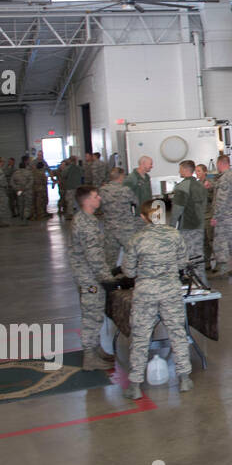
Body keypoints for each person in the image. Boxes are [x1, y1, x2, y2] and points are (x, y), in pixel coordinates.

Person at [121, 200, 193, 399]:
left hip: (145, 292)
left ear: (144, 217)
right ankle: (184, 378)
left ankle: (135, 385)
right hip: (170, 289)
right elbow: (182, 263)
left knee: (141, 337)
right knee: (177, 333)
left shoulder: (137, 239)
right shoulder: (174, 235)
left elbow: (128, 270)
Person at [68, 186, 117, 371]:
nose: (99, 198)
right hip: (90, 278)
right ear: (87, 201)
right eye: (96, 196)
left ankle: (96, 349)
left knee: (95, 312)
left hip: (87, 275)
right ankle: (89, 356)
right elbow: (94, 256)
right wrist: (106, 278)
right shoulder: (86, 224)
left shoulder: (86, 219)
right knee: (92, 315)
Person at [171, 160, 207, 284]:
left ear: (186, 170)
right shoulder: (201, 186)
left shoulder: (181, 187)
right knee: (199, 256)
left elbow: (177, 210)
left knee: (187, 258)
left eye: (180, 169)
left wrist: (170, 228)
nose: (179, 171)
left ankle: (193, 286)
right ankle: (203, 283)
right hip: (199, 225)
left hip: (187, 226)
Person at [210, 154, 232, 277]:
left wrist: (215, 216)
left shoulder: (225, 178)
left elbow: (221, 200)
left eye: (217, 164)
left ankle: (223, 268)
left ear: (221, 164)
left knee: (221, 240)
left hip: (225, 215)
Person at [98, 167, 140, 266]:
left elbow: (98, 206)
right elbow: (136, 202)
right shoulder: (125, 190)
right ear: (121, 177)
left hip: (110, 228)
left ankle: (110, 277)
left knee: (110, 256)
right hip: (126, 228)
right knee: (132, 253)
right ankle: (131, 275)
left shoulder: (103, 190)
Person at [195, 163, 216, 268]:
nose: (197, 173)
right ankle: (206, 263)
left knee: (212, 240)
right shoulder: (197, 184)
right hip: (201, 217)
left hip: (209, 215)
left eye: (199, 171)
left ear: (205, 172)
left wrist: (208, 189)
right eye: (196, 171)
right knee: (204, 242)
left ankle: (219, 263)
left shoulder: (210, 183)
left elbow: (214, 198)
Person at [11, 157, 34, 223]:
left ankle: (21, 217)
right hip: (27, 191)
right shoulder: (28, 172)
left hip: (19, 191)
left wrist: (17, 188)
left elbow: (12, 183)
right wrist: (26, 187)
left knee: (20, 204)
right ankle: (25, 217)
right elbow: (31, 181)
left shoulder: (15, 173)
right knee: (27, 204)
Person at [32, 155, 49, 220]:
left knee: (34, 202)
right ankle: (40, 215)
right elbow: (45, 182)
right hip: (41, 189)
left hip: (34, 189)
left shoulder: (33, 173)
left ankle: (34, 215)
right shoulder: (42, 174)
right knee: (41, 202)